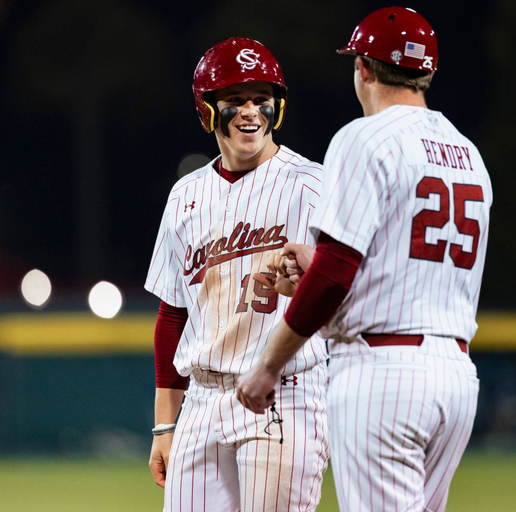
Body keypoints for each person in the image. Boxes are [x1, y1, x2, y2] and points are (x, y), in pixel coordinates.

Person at [238, 7, 492, 512]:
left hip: (383, 374)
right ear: (427, 73)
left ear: (364, 69)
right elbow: (406, 272)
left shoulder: (364, 137)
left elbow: (335, 271)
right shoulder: (468, 154)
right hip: (457, 378)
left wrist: (269, 364)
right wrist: (317, 268)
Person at [144, 37, 328, 512]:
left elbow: (349, 287)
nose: (250, 112)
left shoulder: (313, 185)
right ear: (208, 111)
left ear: (278, 107)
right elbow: (172, 314)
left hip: (283, 392)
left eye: (260, 99)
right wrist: (165, 425)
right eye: (234, 100)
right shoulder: (185, 196)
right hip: (202, 401)